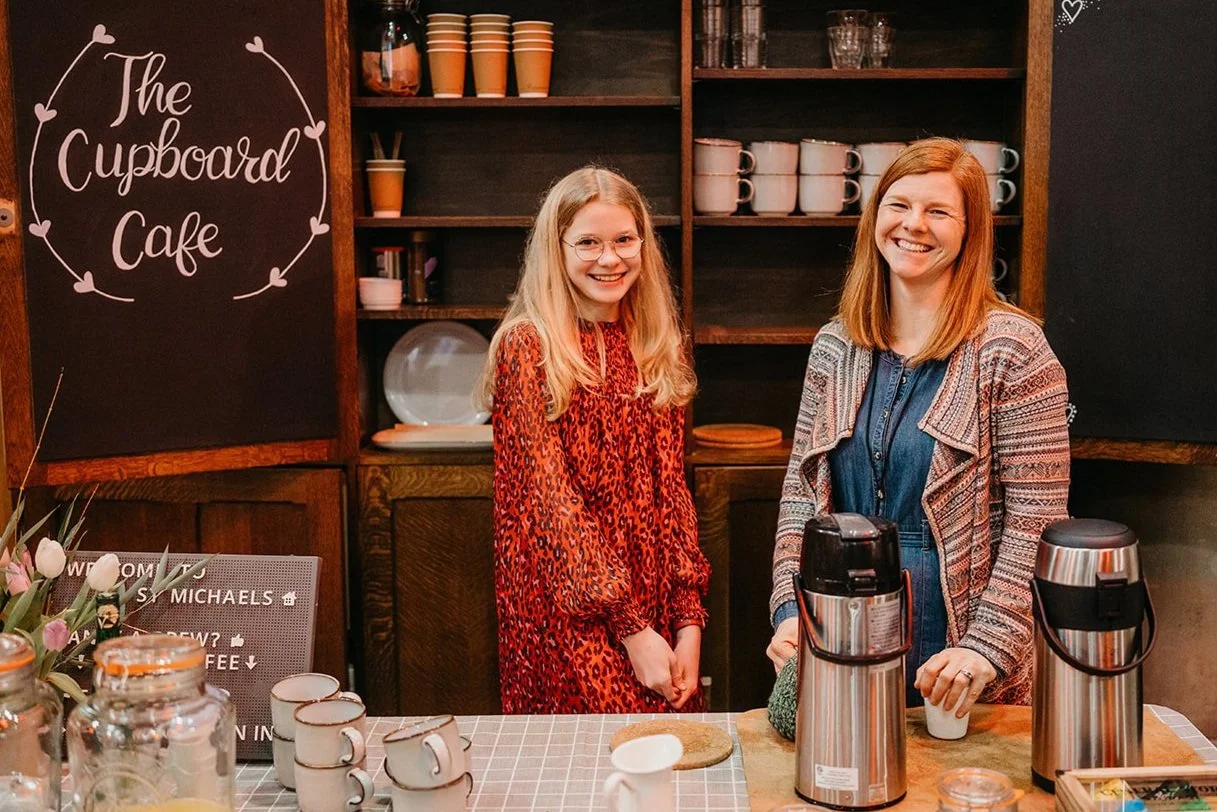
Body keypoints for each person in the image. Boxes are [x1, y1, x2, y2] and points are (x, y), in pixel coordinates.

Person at [765, 138, 1070, 716]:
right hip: (836, 629)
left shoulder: (1014, 350)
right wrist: (788, 610)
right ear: (875, 216)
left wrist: (986, 649)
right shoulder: (836, 344)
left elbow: (1039, 521)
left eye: (938, 211)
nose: (914, 226)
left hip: (953, 655)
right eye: (898, 205)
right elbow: (800, 499)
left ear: (970, 231)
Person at [479, 166, 709, 714]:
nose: (610, 259)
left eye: (624, 240)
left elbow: (672, 492)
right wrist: (630, 628)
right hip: (566, 604)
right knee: (583, 768)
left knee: (664, 765)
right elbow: (551, 503)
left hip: (651, 600)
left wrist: (687, 621)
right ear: (556, 250)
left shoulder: (655, 342)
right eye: (588, 242)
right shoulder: (528, 347)